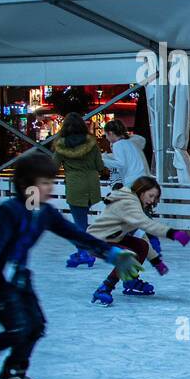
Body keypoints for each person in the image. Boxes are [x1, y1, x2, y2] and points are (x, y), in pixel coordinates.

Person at [0, 150, 141, 379]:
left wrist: (111, 253)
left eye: (51, 181)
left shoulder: (44, 213)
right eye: (44, 182)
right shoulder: (9, 211)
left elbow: (77, 235)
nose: (50, 187)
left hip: (20, 280)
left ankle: (14, 375)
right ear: (26, 184)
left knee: (35, 326)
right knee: (18, 328)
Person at [86, 176, 190, 306]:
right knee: (127, 256)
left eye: (155, 197)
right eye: (150, 196)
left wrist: (156, 261)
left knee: (142, 246)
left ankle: (130, 280)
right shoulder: (128, 203)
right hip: (96, 240)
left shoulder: (135, 203)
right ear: (141, 191)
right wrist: (173, 233)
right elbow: (146, 224)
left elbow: (141, 235)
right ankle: (104, 288)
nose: (152, 200)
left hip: (112, 238)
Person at [52, 114, 106, 269]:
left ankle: (84, 252)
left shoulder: (61, 146)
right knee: (83, 221)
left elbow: (53, 167)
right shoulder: (92, 143)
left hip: (75, 185)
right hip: (91, 184)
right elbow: (99, 165)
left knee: (79, 223)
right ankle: (85, 251)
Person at [102, 119, 150, 190]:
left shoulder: (118, 145)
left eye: (106, 134)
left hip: (133, 181)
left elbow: (121, 164)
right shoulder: (130, 143)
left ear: (110, 133)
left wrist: (102, 161)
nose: (106, 137)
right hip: (142, 178)